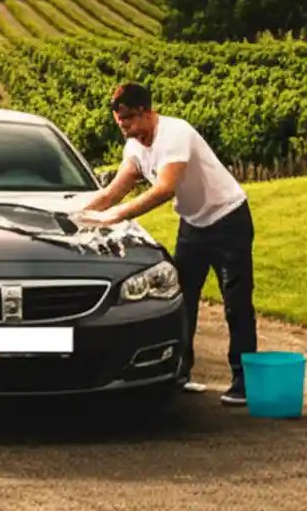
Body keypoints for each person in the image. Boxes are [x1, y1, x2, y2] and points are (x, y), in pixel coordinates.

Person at [77, 82, 255, 407]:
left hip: (229, 220)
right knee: (181, 299)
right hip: (194, 225)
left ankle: (244, 382)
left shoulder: (175, 133)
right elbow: (113, 191)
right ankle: (179, 372)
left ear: (146, 112)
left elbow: (164, 189)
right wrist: (77, 217)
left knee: (236, 302)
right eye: (120, 124)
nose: (126, 129)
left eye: (129, 121)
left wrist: (116, 216)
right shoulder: (134, 146)